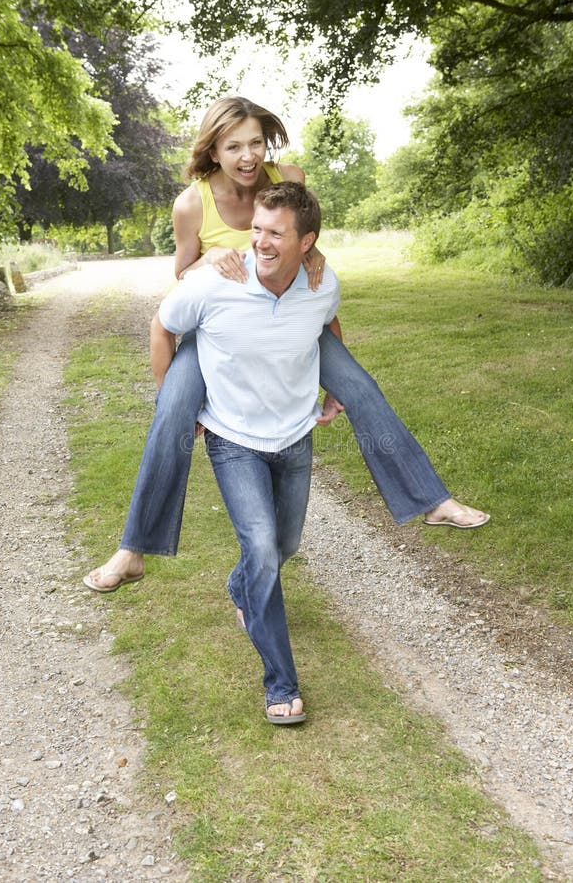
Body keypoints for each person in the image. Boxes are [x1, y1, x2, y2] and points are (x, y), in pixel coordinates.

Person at [83, 96, 488, 594]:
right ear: (213, 148)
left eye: (256, 142)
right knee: (171, 411)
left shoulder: (288, 175)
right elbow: (181, 270)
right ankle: (133, 549)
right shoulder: (193, 202)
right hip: (221, 325)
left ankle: (432, 500)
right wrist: (214, 262)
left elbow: (304, 233)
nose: (248, 155)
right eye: (233, 146)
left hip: (290, 313)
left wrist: (313, 253)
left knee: (359, 387)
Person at [157, 182, 339, 722]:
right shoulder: (217, 280)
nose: (259, 241)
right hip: (232, 438)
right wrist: (178, 402)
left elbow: (328, 325)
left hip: (294, 435)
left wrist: (337, 386)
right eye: (256, 227)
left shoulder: (320, 282)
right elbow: (163, 327)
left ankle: (239, 586)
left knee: (283, 545)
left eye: (274, 232)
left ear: (306, 242)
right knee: (261, 546)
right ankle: (281, 684)